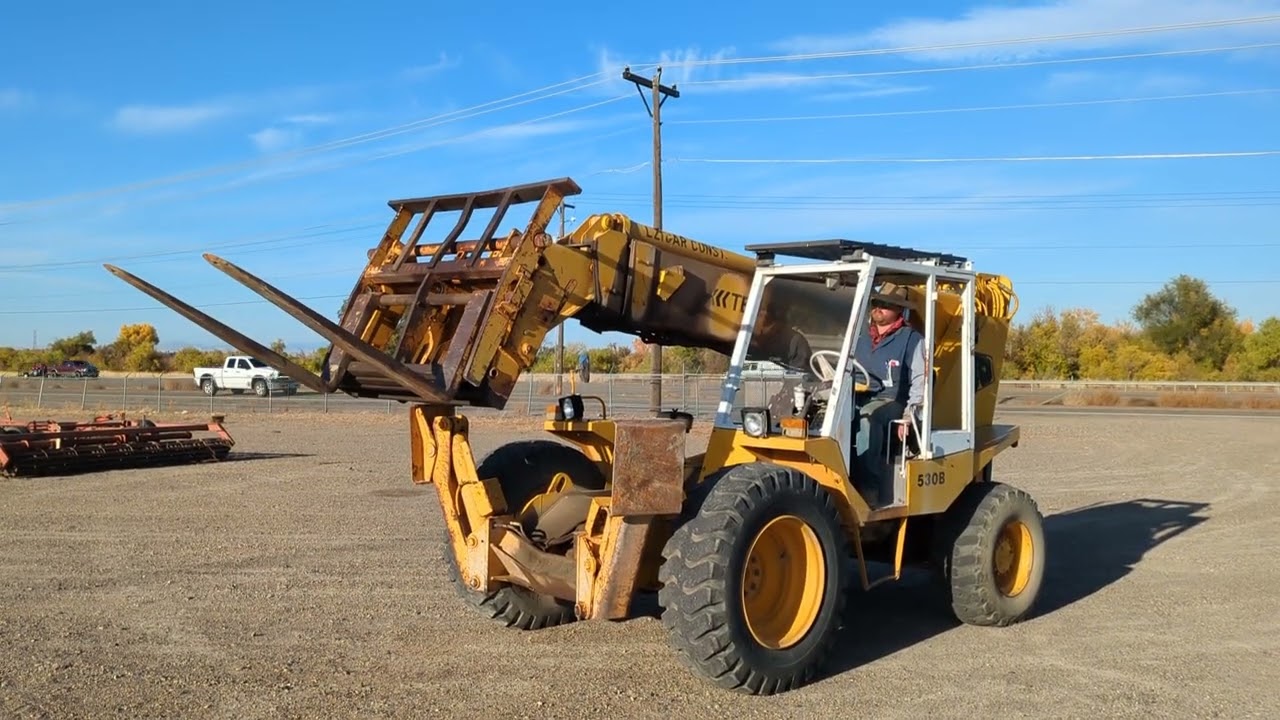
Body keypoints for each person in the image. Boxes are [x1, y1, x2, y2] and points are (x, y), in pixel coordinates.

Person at [852, 281, 926, 505]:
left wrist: (909, 416)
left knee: (867, 418)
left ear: (899, 310)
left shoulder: (912, 340)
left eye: (886, 304)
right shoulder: (858, 334)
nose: (879, 308)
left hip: (890, 399)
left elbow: (920, 379)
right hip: (856, 393)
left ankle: (868, 490)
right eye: (877, 302)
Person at [748, 294, 812, 372]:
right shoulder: (741, 338)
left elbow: (800, 377)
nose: (762, 314)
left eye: (764, 311)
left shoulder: (795, 342)